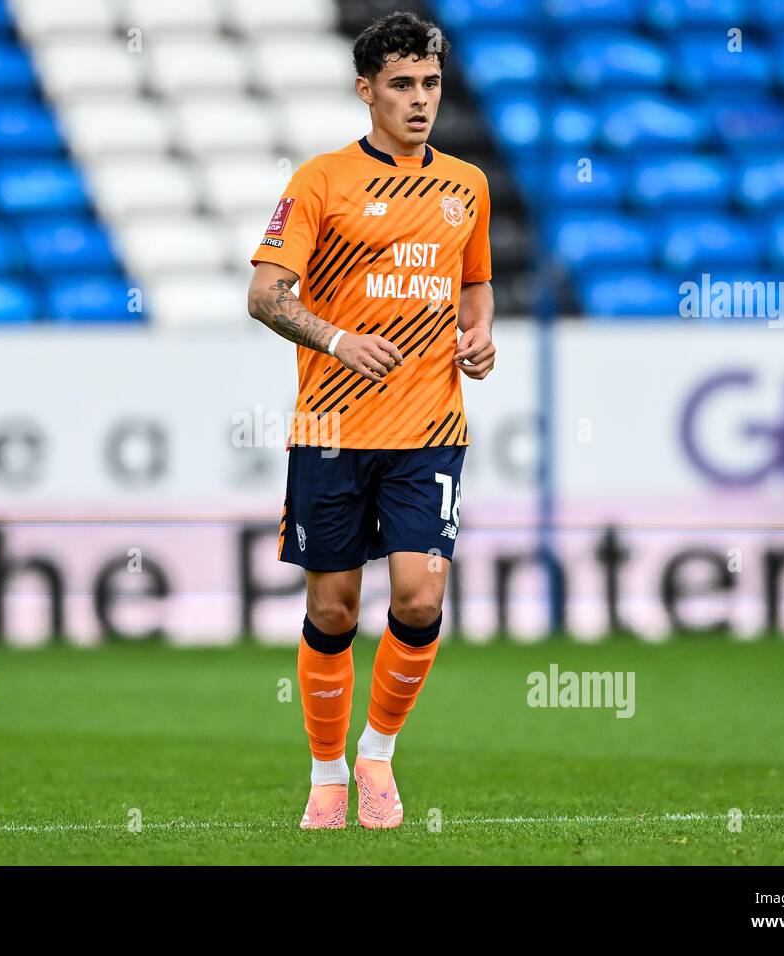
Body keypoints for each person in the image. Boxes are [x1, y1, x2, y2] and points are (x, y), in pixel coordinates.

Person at [246, 11, 495, 829]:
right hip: (331, 428)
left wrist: (480, 331)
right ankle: (326, 772)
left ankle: (378, 759)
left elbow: (475, 283)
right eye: (401, 85)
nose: (420, 100)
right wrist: (337, 338)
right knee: (334, 613)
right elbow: (265, 296)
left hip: (430, 428)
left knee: (420, 601)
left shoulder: (467, 185)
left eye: (430, 83)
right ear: (366, 91)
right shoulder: (320, 181)